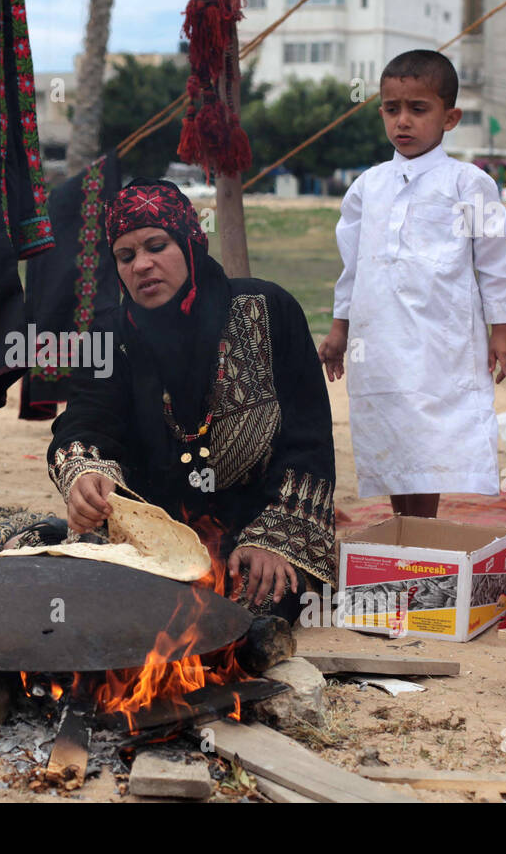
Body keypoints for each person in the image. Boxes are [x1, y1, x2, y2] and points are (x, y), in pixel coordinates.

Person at [48, 179, 336, 622]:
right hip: (152, 538)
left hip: (255, 530)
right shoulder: (108, 337)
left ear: (189, 243)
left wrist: (273, 540)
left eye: (156, 246)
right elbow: (86, 421)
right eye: (126, 256)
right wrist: (86, 474)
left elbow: (308, 442)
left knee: (255, 605)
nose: (142, 265)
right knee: (74, 588)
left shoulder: (268, 310)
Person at [318, 49, 506, 517]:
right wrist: (339, 329)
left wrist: (503, 330)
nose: (402, 122)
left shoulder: (467, 182)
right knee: (393, 434)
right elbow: (353, 265)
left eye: (418, 109)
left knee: (429, 437)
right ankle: (406, 528)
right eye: (392, 109)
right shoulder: (367, 186)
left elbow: (496, 259)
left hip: (439, 338)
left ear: (450, 117)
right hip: (380, 339)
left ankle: (420, 533)